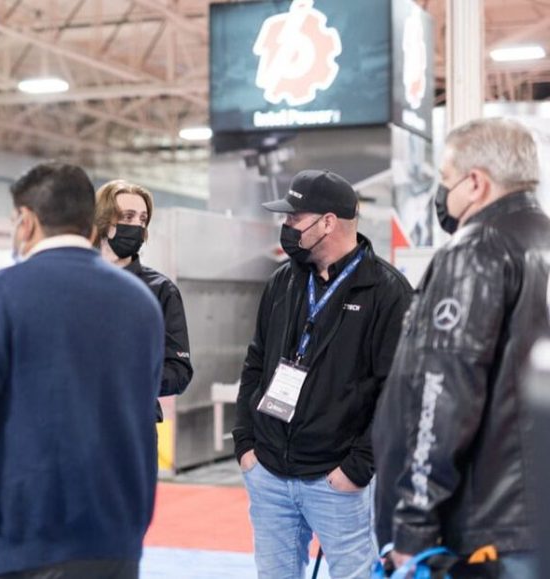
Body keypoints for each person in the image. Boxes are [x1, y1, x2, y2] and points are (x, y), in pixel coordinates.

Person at [0, 162, 164, 579]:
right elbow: (139, 423)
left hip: (16, 547)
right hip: (113, 547)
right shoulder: (142, 304)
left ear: (26, 221)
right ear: (90, 224)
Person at [374, 118, 547, 579]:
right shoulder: (543, 243)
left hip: (486, 529)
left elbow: (443, 393)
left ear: (475, 183)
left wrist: (412, 525)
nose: (441, 193)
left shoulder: (476, 251)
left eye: (445, 181)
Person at [233, 169, 412, 579]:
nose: (286, 227)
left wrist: (356, 468)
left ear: (328, 222)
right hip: (269, 473)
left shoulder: (388, 293)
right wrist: (246, 443)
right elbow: (256, 361)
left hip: (336, 483)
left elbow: (398, 395)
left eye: (294, 219)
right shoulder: (283, 282)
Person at [93, 180, 193, 422]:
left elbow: (179, 371)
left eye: (142, 219)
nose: (137, 225)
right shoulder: (76, 282)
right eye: (128, 216)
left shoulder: (161, 290)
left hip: (134, 424)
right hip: (79, 423)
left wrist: (129, 380)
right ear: (104, 221)